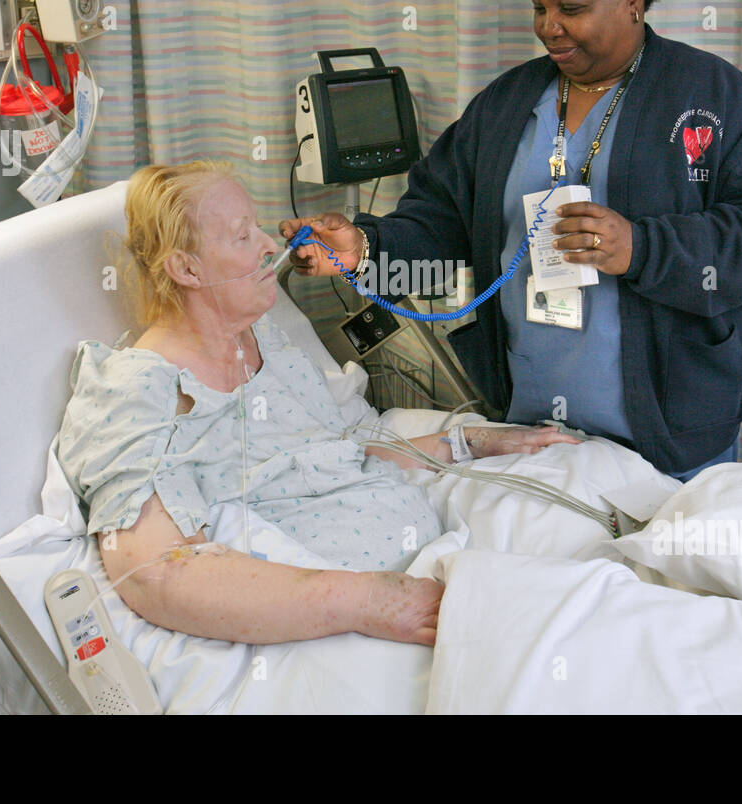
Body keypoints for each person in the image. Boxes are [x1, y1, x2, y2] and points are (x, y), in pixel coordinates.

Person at [282, 0, 742, 482]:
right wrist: (366, 246)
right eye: (539, 7)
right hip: (530, 429)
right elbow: (441, 221)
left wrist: (641, 247)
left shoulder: (709, 94)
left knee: (663, 572)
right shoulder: (507, 104)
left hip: (671, 436)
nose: (548, 27)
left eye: (571, 8)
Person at [54, 161, 578, 647]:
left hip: (428, 567)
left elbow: (340, 452)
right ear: (186, 270)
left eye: (257, 227)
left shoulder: (263, 341)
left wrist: (466, 441)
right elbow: (159, 573)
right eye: (242, 236)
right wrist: (366, 602)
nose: (267, 245)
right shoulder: (134, 391)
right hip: (346, 624)